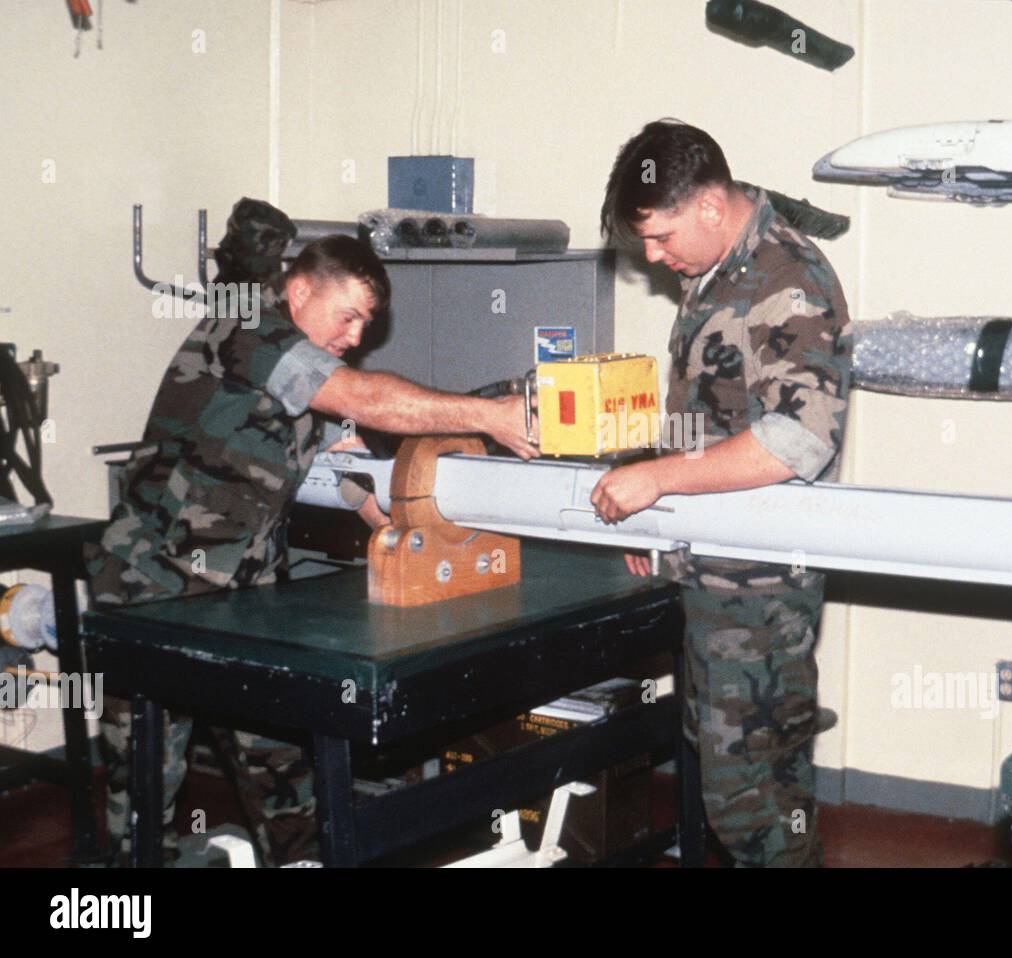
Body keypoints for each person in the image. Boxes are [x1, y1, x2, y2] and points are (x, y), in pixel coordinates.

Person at [86, 232, 537, 865]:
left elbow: (321, 450)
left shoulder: (288, 365)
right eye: (348, 316)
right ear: (298, 291)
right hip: (150, 589)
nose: (355, 337)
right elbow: (361, 398)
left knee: (285, 773)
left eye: (366, 324)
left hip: (242, 602)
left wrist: (377, 506)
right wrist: (488, 416)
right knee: (145, 782)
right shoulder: (246, 327)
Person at [593, 120, 852, 867]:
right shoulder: (716, 272)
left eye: (661, 234)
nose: (651, 255)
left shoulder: (785, 280)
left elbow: (793, 443)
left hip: (759, 587)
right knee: (757, 791)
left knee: (750, 805)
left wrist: (655, 481)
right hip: (712, 569)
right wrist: (661, 512)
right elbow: (712, 419)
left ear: (710, 206)